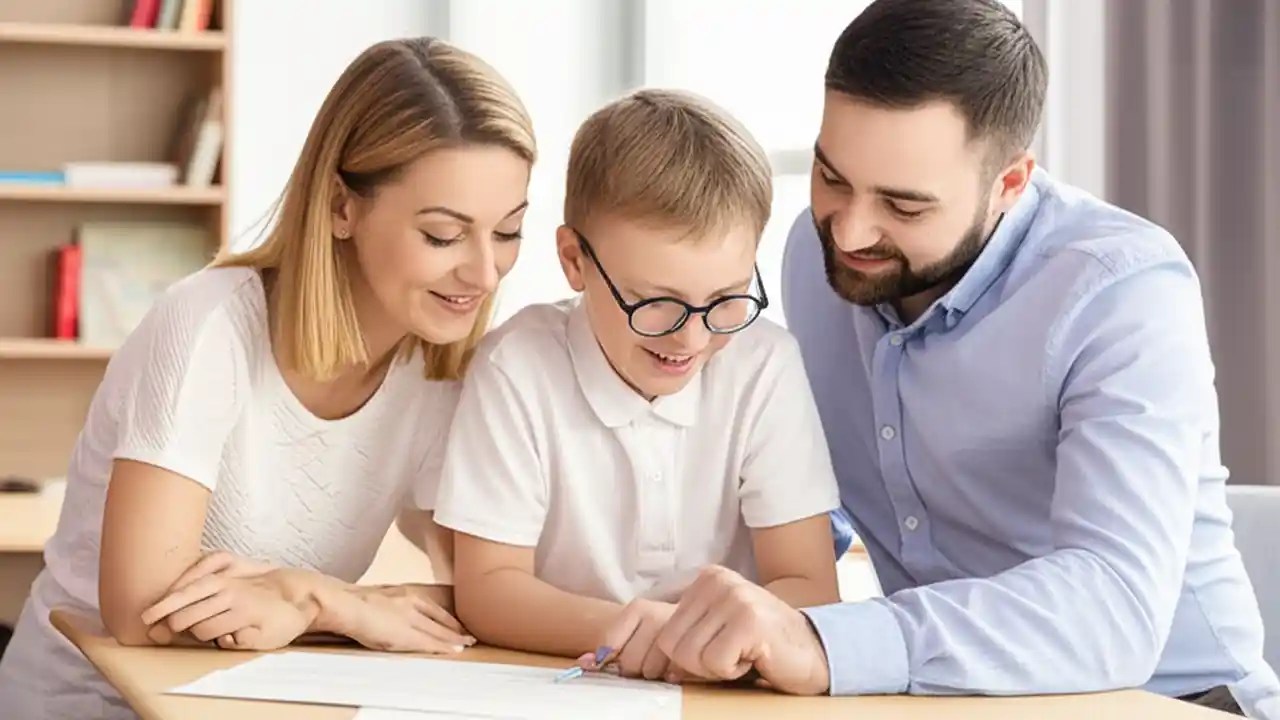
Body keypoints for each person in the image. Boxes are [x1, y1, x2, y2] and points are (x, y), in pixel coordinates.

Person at [592, 1, 1280, 718]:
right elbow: (800, 505)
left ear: (1009, 183)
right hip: (947, 701)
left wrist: (822, 643)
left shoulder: (1122, 290)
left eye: (905, 206)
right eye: (831, 177)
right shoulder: (814, 253)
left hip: (1177, 699)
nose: (853, 230)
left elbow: (1114, 606)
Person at [0, 37, 536, 720]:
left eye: (509, 232)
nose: (485, 274)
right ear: (342, 207)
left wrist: (302, 600)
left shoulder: (443, 366)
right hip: (93, 704)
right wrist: (329, 600)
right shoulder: (209, 326)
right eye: (442, 235)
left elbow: (493, 593)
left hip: (258, 697)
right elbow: (140, 609)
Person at [433, 88, 841, 680]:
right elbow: (490, 589)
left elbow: (810, 586)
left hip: (732, 690)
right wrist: (639, 632)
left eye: (726, 300)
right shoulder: (515, 367)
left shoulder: (763, 364)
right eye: (657, 303)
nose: (693, 340)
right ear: (574, 260)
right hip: (565, 684)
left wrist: (689, 641)